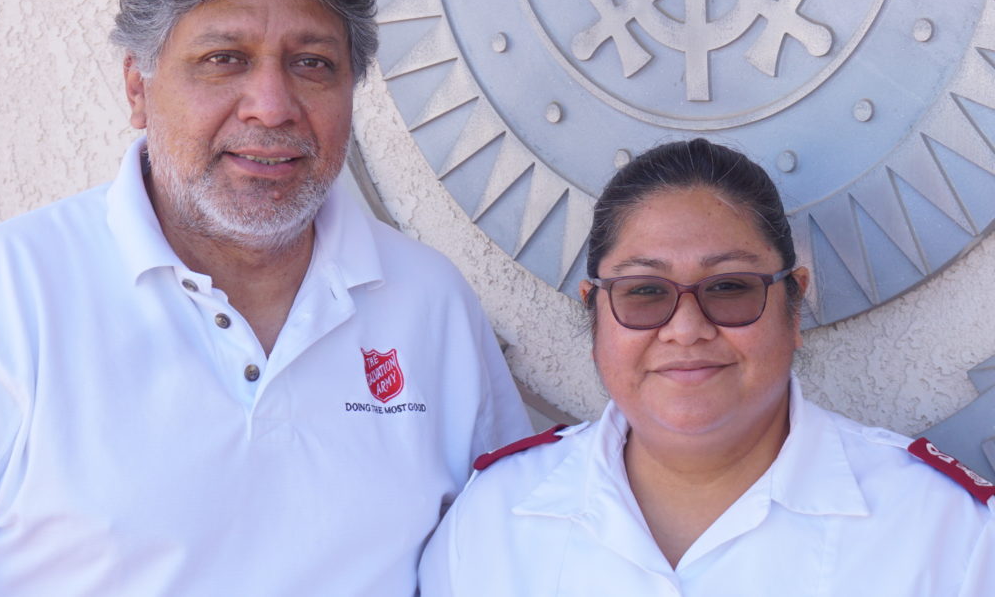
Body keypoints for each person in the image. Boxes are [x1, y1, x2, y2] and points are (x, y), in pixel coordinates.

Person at [0, 0, 531, 594]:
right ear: (137, 88)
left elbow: (505, 557)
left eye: (312, 64)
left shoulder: (430, 302)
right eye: (224, 59)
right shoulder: (2, 295)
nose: (271, 107)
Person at [418, 138, 995, 595]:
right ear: (596, 313)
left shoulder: (947, 534)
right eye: (644, 291)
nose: (687, 328)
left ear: (793, 306)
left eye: (728, 287)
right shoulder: (494, 522)